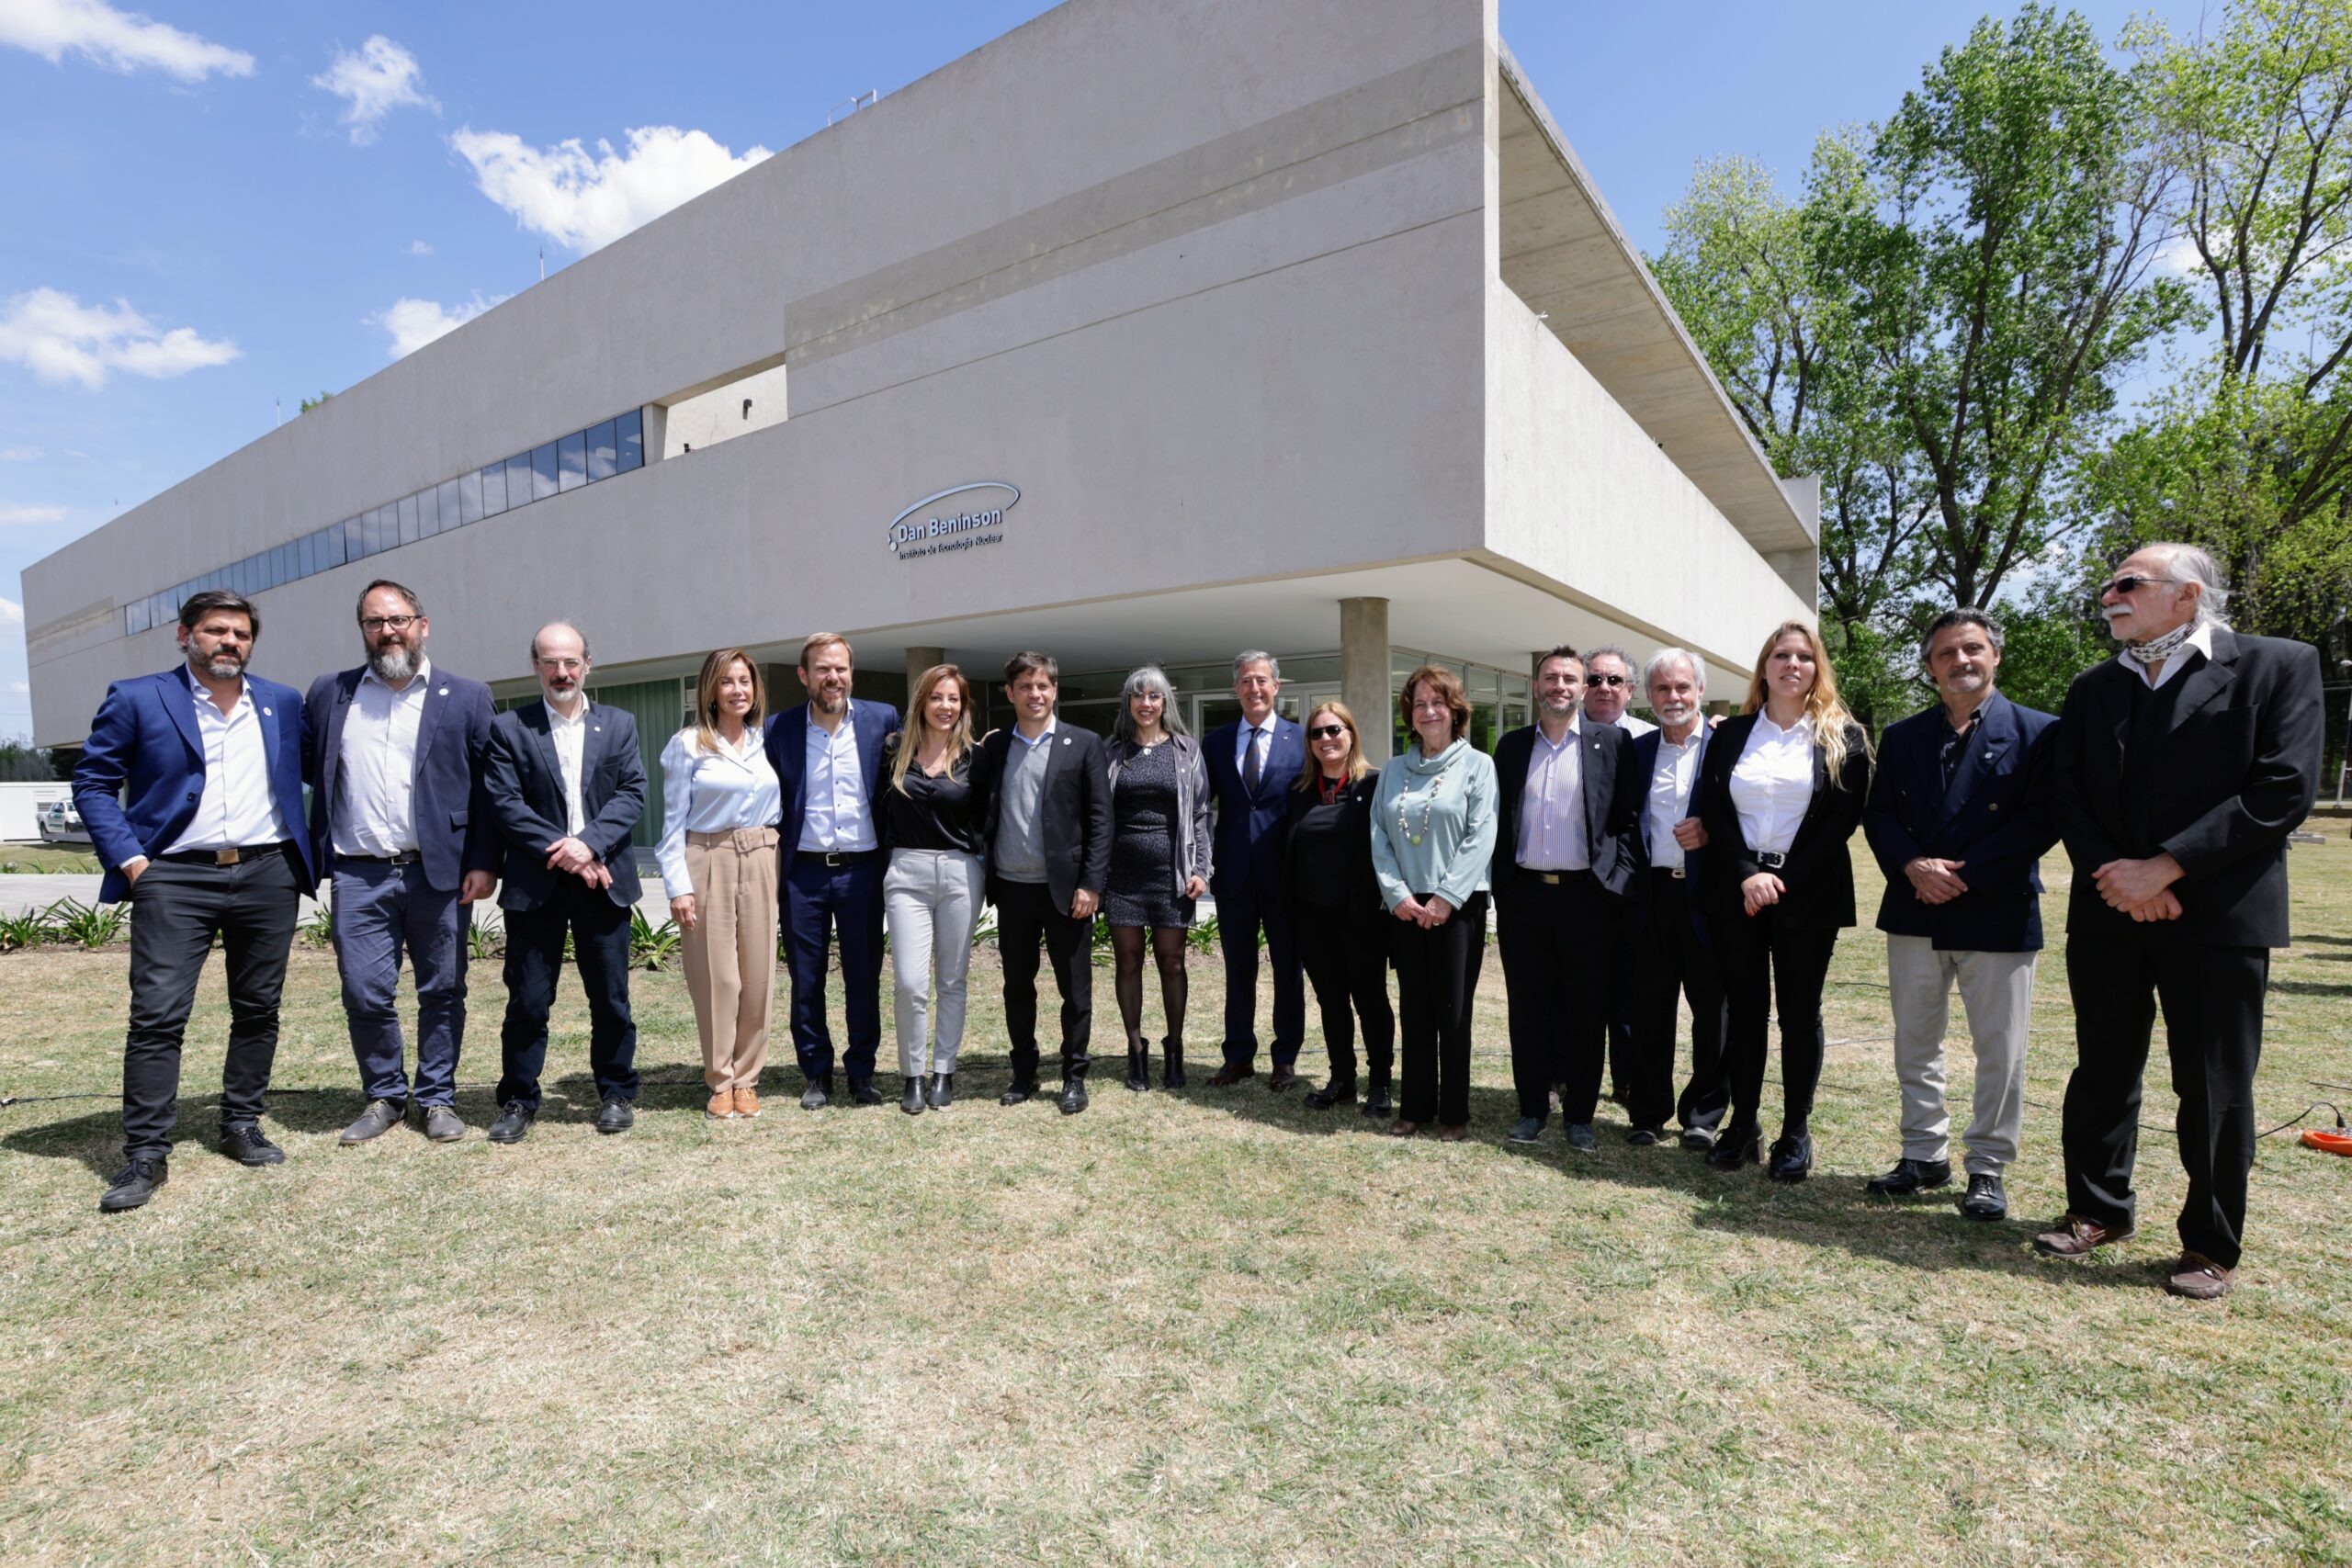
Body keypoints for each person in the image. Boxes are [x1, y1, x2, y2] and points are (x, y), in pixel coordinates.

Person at [2036, 544, 2322, 1300]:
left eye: (2127, 584)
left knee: (2215, 1083)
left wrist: (2166, 867)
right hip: (2109, 910)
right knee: (2102, 1067)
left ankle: (2209, 1242)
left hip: (2219, 914)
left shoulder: (2278, 664)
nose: (2109, 597)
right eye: (2107, 585)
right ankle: (2098, 1209)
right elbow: (2067, 792)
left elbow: (2284, 787)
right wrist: (2120, 877)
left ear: (2187, 594)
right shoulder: (2094, 687)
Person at [74, 590, 315, 1212]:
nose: (229, 641)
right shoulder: (137, 696)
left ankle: (240, 1122)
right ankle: (147, 1153)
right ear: (186, 635)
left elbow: (315, 773)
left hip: (267, 871)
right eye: (215, 630)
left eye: (240, 632)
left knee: (258, 1007)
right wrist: (132, 860)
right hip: (174, 876)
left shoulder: (282, 702)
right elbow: (94, 782)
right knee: (157, 1014)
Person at [1862, 608, 2057, 1222]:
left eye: (1973, 648)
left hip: (1996, 910)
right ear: (1929, 667)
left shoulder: (2039, 732)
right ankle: (1923, 1153)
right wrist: (1914, 866)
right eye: (1946, 653)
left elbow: (2040, 820)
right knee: (1915, 1041)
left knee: (2000, 1048)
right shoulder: (1901, 736)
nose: (1960, 661)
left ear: (1996, 655)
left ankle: (1988, 1165)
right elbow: (1880, 815)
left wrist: (1962, 875)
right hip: (1915, 907)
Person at [303, 580, 498, 1146]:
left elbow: (490, 788)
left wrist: (484, 860)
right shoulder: (330, 693)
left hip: (437, 873)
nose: (387, 630)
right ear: (362, 629)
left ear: (423, 624)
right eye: (374, 622)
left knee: (443, 989)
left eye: (398, 619)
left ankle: (437, 1098)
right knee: (365, 991)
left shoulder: (465, 695)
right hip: (357, 871)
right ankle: (385, 1095)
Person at [1692, 621, 1871, 1181]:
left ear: (1817, 668)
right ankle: (1743, 1124)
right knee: (1744, 1013)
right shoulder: (1731, 733)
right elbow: (1715, 809)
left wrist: (1782, 877)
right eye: (1781, 655)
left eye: (1804, 656)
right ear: (1764, 667)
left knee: (1799, 1015)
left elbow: (1842, 819)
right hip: (1736, 891)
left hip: (1808, 893)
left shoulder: (1845, 736)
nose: (1792, 664)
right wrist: (1748, 873)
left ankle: (1796, 1132)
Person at [481, 622, 646, 1144]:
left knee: (611, 998)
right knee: (528, 1000)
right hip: (538, 886)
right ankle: (517, 1099)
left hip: (603, 882)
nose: (562, 671)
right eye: (551, 662)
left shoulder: (619, 725)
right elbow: (506, 805)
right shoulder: (510, 729)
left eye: (571, 661)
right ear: (535, 666)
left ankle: (616, 1091)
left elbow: (632, 793)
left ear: (588, 664)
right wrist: (572, 854)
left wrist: (589, 843)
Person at [1491, 645, 1644, 1149]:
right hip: (1526, 899)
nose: (1560, 685)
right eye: (1550, 677)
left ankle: (1580, 1115)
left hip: (1588, 898)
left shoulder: (1613, 743)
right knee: (1528, 1010)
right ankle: (1532, 1110)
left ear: (1583, 689)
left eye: (1570, 679)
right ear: (1535, 687)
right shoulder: (1510, 748)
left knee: (1587, 1011)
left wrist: (1615, 884)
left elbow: (1627, 824)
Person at [764, 634, 900, 1111]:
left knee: (864, 977)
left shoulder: (882, 719)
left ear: (851, 672)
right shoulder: (777, 729)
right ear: (804, 676)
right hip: (803, 873)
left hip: (863, 870)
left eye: (840, 668)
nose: (833, 678)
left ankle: (862, 1073)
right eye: (822, 669)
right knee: (807, 978)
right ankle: (817, 1074)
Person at [974, 651, 1113, 1113]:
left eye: (1044, 686)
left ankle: (1074, 1075)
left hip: (1068, 892)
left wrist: (1091, 885)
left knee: (1075, 989)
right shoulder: (994, 748)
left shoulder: (1084, 743)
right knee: (1018, 987)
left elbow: (1100, 820)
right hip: (1012, 889)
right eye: (1026, 686)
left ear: (1055, 690)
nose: (1036, 694)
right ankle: (1024, 1072)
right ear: (1009, 693)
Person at [1369, 665, 1499, 1139]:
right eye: (1419, 703)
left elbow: (1481, 836)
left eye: (1437, 703)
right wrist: (1398, 895)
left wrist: (1446, 897)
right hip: (1404, 906)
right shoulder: (1394, 770)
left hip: (1458, 905)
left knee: (1454, 1012)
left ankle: (1454, 1115)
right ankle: (1415, 1107)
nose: (1428, 711)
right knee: (1414, 1009)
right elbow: (1378, 837)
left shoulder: (1478, 766)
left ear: (1455, 711)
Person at [657, 648, 783, 1122]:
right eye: (728, 682)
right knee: (718, 977)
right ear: (711, 689)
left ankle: (748, 1079)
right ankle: (720, 1078)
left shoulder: (765, 741)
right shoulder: (688, 743)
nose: (738, 691)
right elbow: (671, 823)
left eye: (745, 681)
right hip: (707, 857)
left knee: (758, 976)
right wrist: (678, 885)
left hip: (762, 855)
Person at [1623, 649, 1731, 1151]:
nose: (1674, 697)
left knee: (1713, 1011)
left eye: (1683, 687)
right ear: (1648, 697)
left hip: (1708, 899)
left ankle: (1703, 1115)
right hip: (1651, 896)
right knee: (1648, 1009)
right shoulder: (1638, 751)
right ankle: (1647, 1111)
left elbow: (1751, 818)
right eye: (1662, 689)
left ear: (1700, 691)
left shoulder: (1728, 744)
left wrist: (1712, 832)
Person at [879, 662, 989, 1114]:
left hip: (962, 873)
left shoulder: (975, 757)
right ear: (921, 701)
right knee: (908, 982)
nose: (945, 706)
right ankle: (913, 1076)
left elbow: (989, 814)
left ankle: (943, 1071)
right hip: (906, 872)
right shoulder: (891, 750)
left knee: (952, 980)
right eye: (936, 697)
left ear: (962, 706)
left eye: (954, 699)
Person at [1284, 701, 1396, 1119]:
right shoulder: (1299, 792)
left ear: (1351, 734)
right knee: (1331, 1001)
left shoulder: (1376, 785)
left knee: (1370, 1000)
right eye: (1317, 733)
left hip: (1363, 918)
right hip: (1313, 918)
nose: (1326, 739)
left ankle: (1381, 1083)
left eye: (1334, 730)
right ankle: (1342, 1079)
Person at [1102, 666, 1212, 1092]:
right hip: (1122, 875)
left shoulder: (1186, 750)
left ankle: (1175, 1048)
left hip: (1173, 875)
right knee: (1127, 962)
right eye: (1138, 696)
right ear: (1128, 703)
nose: (1146, 703)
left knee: (1172, 962)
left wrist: (1202, 869)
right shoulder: (1112, 751)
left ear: (1166, 703)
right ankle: (1135, 1048)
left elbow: (1201, 814)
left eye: (1154, 696)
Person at [1202, 651, 1307, 1089]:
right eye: (1246, 681)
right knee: (1238, 970)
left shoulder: (1301, 739)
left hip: (1285, 878)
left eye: (1262, 680)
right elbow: (1198, 806)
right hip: (1233, 877)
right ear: (1236, 689)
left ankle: (1285, 1059)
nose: (1254, 689)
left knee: (1288, 969)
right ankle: (1238, 1056)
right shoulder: (1216, 742)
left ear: (1276, 687)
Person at [1578, 642, 1653, 1110]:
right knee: (1571, 992)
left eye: (1614, 680)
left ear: (1630, 690)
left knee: (1629, 992)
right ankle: (1566, 1075)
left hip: (1633, 888)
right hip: (1574, 889)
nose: (1603, 688)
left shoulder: (1648, 741)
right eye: (1595, 679)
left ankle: (1627, 1082)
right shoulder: (1562, 737)